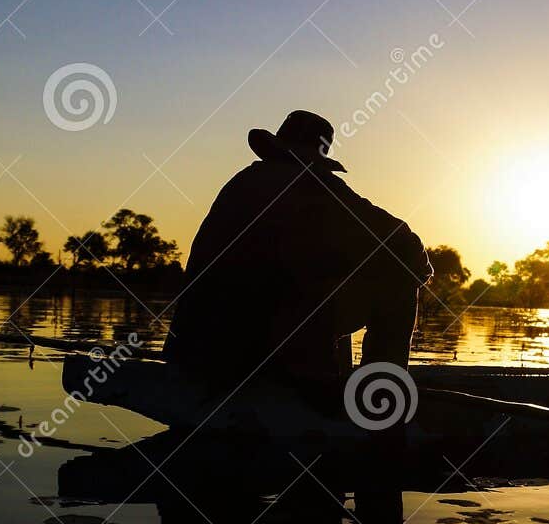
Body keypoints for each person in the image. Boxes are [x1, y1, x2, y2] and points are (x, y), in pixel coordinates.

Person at [166, 111, 432, 383]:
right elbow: (403, 241)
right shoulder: (315, 184)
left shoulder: (242, 181)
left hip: (190, 345)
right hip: (249, 349)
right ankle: (378, 393)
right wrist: (417, 270)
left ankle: (330, 376)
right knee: (399, 281)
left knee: (336, 271)